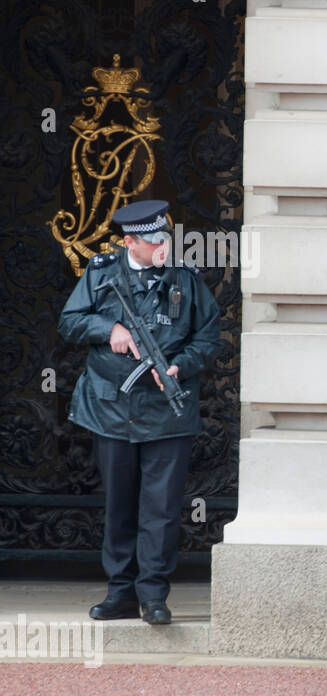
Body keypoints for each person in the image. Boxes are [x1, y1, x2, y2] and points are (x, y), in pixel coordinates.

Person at [58, 200, 222, 625]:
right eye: (153, 240)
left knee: (161, 509)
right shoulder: (101, 272)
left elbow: (209, 339)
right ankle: (120, 593)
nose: (162, 245)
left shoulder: (185, 279)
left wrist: (179, 366)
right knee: (120, 506)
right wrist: (107, 328)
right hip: (110, 408)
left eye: (165, 237)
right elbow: (70, 321)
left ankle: (153, 594)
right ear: (130, 241)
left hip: (167, 413)